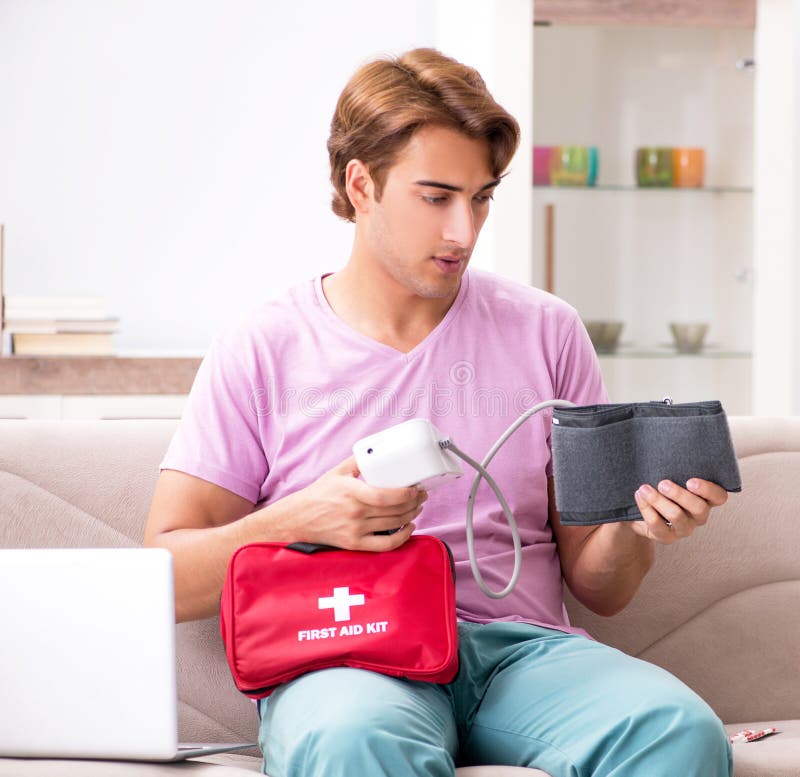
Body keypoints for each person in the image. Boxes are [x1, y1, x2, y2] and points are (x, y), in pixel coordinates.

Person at [145, 48, 733, 777]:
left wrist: (639, 529)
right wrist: (301, 518)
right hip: (352, 655)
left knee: (676, 730)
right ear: (361, 184)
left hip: (523, 654)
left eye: (482, 197)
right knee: (353, 742)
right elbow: (161, 576)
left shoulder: (547, 331)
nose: (465, 229)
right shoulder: (263, 346)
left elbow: (599, 585)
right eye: (436, 196)